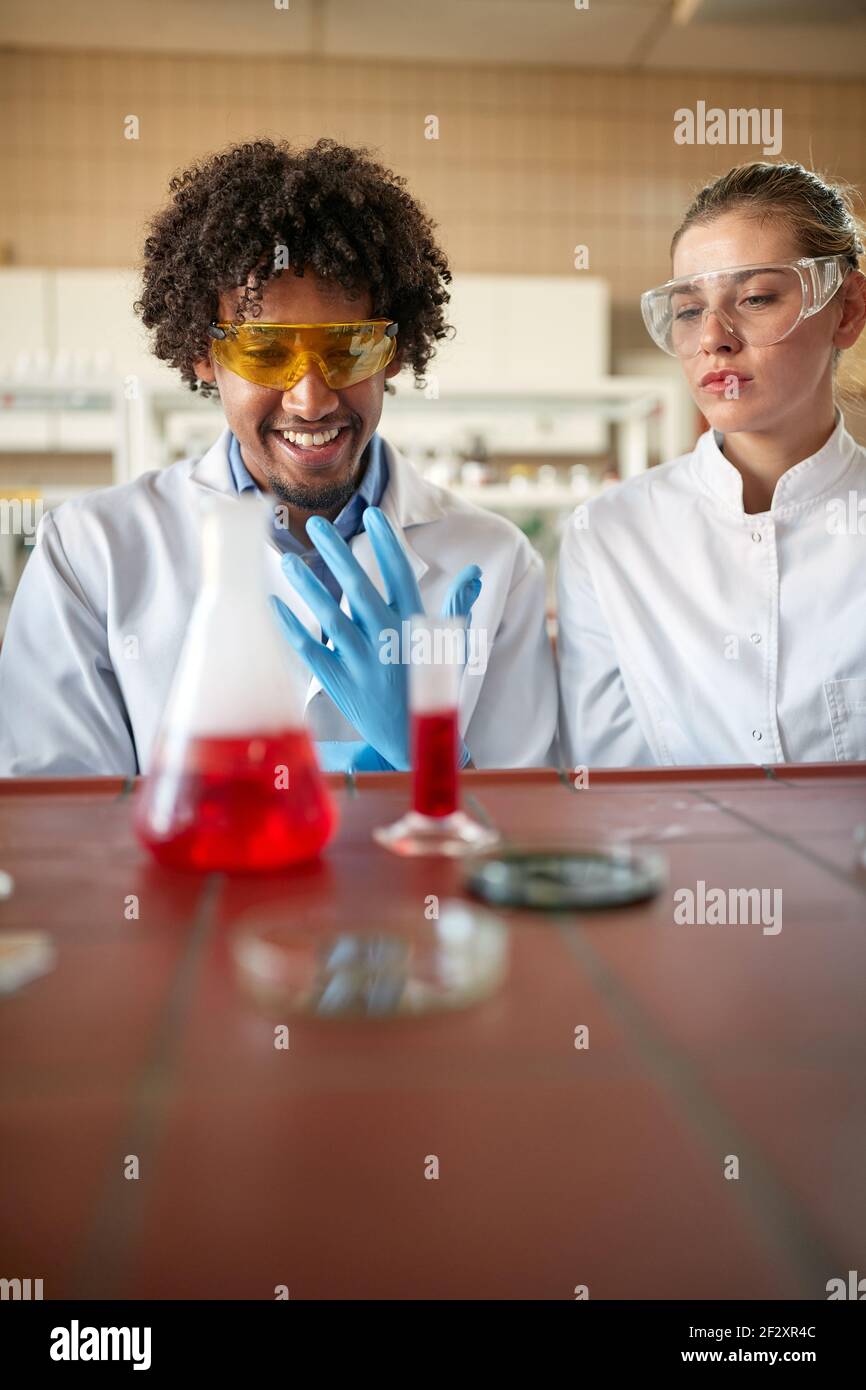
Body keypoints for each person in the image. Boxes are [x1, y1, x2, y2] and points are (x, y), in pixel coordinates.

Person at [0, 138, 556, 775]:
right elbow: (56, 817)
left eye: (348, 348)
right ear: (203, 354)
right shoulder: (88, 554)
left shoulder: (498, 561)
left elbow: (526, 823)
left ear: (393, 354)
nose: (311, 400)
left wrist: (438, 765)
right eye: (265, 352)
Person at [557, 161, 866, 768]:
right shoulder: (610, 535)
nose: (713, 338)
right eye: (689, 310)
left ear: (848, 309)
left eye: (755, 298)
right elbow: (608, 783)